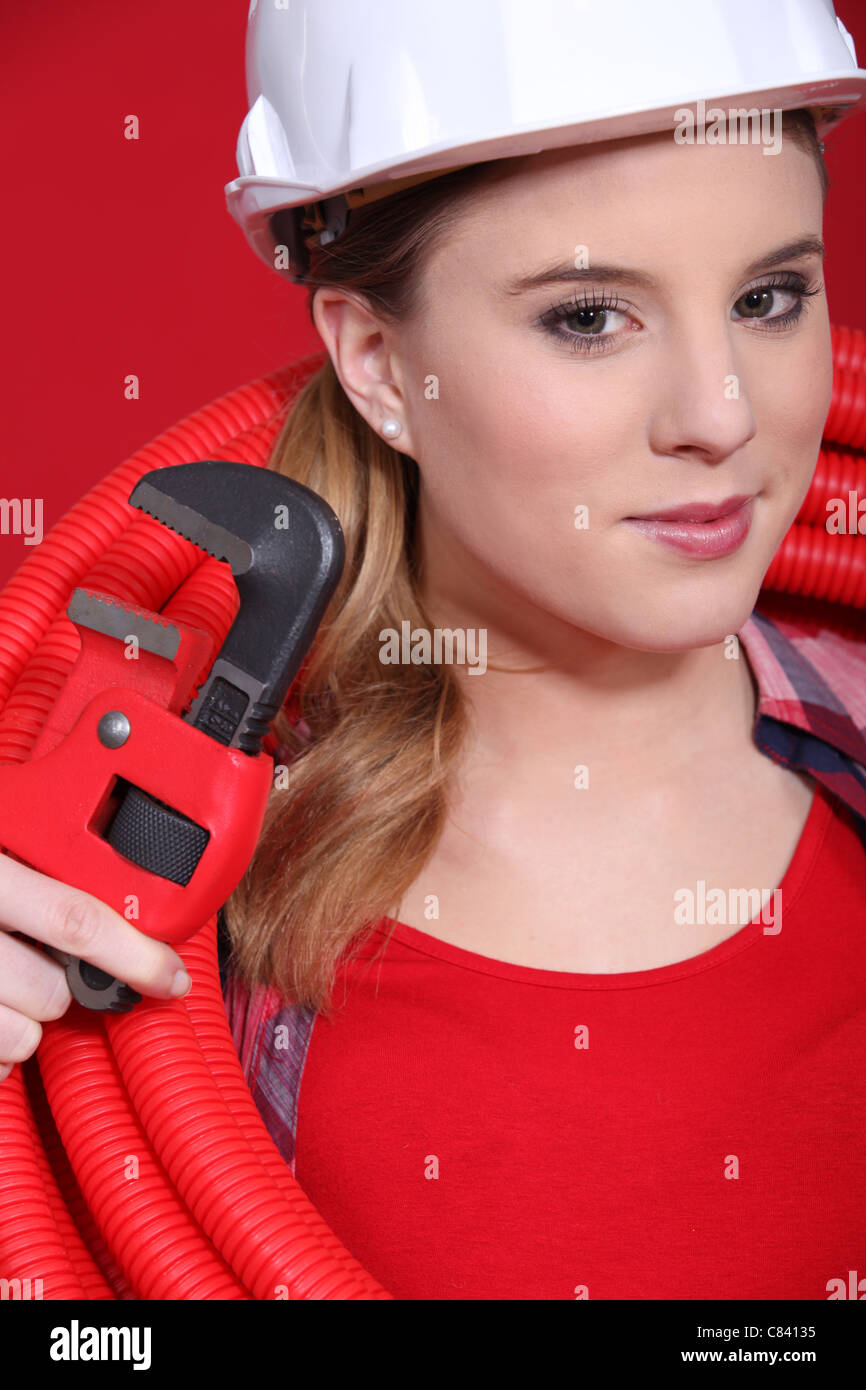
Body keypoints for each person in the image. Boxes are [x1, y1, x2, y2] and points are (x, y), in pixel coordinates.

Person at [2, 0, 866, 1302]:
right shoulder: (154, 871)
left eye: (768, 296)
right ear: (378, 362)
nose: (718, 413)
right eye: (588, 317)